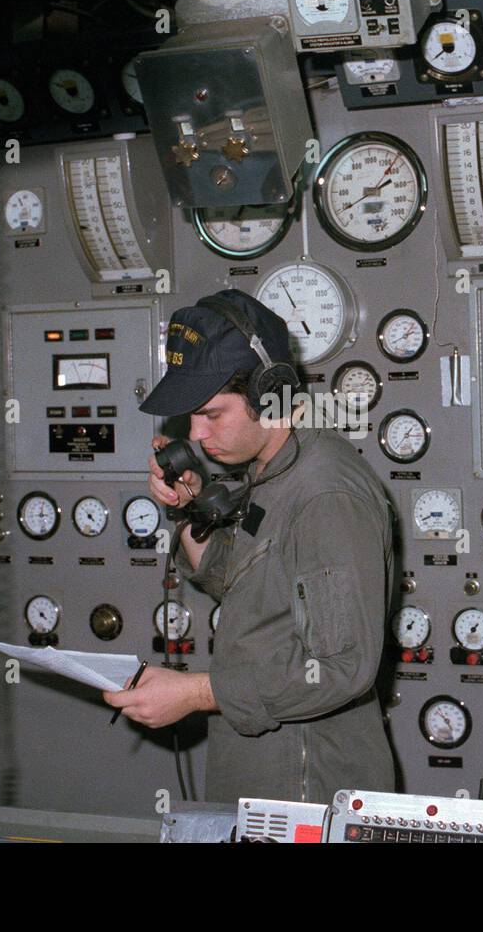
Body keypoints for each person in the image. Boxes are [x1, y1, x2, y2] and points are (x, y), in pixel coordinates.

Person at [102, 288, 396, 804]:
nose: (195, 433)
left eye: (211, 414)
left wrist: (194, 693)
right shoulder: (270, 471)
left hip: (307, 778)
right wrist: (187, 505)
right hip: (259, 761)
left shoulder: (325, 495)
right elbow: (229, 580)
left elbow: (342, 666)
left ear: (271, 392)